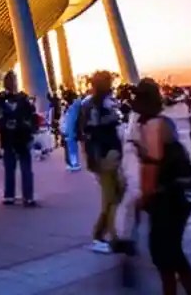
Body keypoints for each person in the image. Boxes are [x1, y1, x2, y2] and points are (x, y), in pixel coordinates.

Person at [131, 79, 191, 295]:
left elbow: (152, 162)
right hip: (173, 193)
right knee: (167, 250)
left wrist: (145, 195)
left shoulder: (153, 124)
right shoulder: (155, 121)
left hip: (171, 195)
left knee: (165, 250)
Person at [81, 71, 124, 253]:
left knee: (114, 194)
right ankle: (109, 236)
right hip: (105, 154)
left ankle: (102, 233)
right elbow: (92, 131)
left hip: (107, 153)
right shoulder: (95, 105)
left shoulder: (99, 103)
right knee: (111, 196)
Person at [0, 72, 38, 207]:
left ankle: (10, 195)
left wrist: (4, 123)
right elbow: (32, 116)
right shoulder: (22, 99)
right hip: (20, 137)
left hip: (11, 137)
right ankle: (27, 196)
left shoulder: (1, 100)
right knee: (23, 167)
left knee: (10, 167)